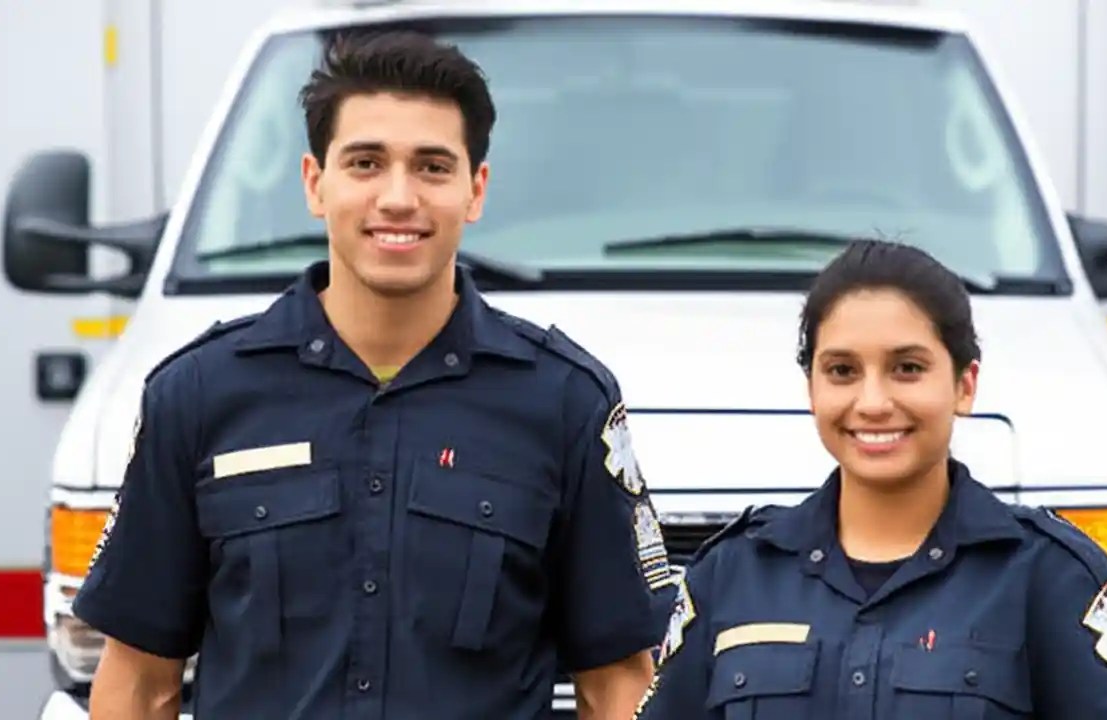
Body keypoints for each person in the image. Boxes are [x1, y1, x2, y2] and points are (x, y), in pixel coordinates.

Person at [73, 30, 673, 719]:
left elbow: (619, 685)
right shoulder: (199, 395)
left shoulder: (564, 403)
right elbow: (139, 683)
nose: (397, 197)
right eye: (364, 163)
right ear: (314, 184)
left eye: (432, 167)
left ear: (474, 191)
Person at [633, 239, 1107, 719]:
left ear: (965, 385)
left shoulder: (1050, 579)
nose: (873, 402)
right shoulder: (731, 576)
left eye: (908, 368)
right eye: (842, 371)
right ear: (812, 389)